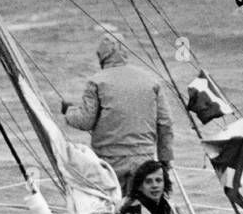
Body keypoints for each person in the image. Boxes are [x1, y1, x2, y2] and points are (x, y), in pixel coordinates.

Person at [62, 30, 174, 192]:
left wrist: (68, 111)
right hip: (144, 159)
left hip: (110, 161)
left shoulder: (97, 81)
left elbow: (85, 121)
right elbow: (165, 123)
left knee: (115, 209)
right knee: (143, 207)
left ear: (102, 56)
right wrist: (164, 159)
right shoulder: (151, 80)